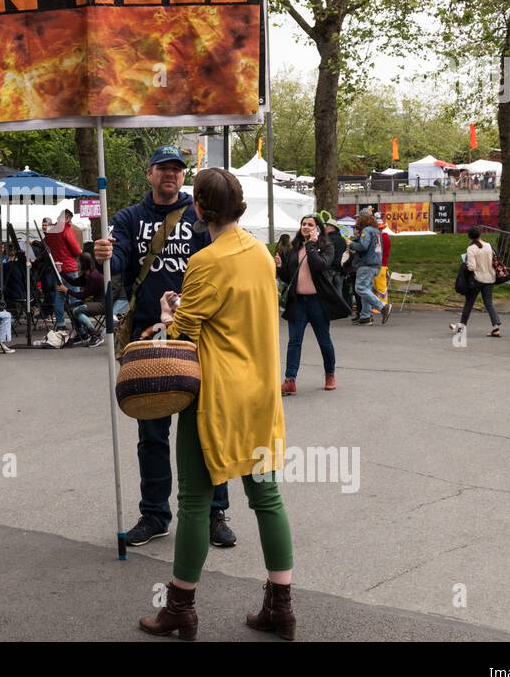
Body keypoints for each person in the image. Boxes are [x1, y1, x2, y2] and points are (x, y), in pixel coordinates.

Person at [137, 168, 295, 641]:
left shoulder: (206, 260)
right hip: (262, 393)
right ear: (240, 206)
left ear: (200, 209)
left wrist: (169, 312)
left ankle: (180, 608)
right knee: (266, 498)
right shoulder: (263, 254)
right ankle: (280, 607)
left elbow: (185, 333)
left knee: (194, 502)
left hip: (217, 397)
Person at [93, 147, 233, 549]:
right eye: (163, 169)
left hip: (197, 335)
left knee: (205, 427)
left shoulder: (199, 215)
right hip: (149, 338)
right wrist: (103, 254)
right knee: (152, 431)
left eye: (176, 169)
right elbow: (116, 260)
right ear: (149, 174)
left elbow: (224, 257)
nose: (170, 175)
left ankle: (213, 512)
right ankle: (154, 514)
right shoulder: (128, 219)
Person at [276, 214, 349, 395]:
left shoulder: (326, 247)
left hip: (318, 302)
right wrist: (279, 267)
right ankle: (290, 380)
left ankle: (330, 374)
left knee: (324, 340)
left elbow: (320, 266)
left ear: (318, 228)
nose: (306, 226)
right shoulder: (295, 248)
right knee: (294, 342)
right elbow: (289, 277)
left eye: (310, 224)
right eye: (303, 224)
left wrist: (311, 244)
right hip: (298, 302)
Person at [450, 227, 502, 336]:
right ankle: (496, 326)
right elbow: (494, 261)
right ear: (480, 235)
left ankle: (461, 327)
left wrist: (466, 264)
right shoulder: (488, 246)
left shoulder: (471, 248)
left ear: (469, 237)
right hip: (490, 278)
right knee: (489, 303)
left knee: (469, 303)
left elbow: (472, 267)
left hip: (477, 279)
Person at [59, 252, 105, 346]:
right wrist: (61, 272)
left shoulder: (93, 276)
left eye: (78, 262)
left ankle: (95, 335)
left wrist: (67, 290)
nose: (77, 264)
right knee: (70, 308)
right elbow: (74, 282)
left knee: (76, 311)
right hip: (96, 302)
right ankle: (83, 334)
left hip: (102, 304)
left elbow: (83, 295)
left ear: (84, 263)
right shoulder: (87, 274)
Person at [347, 210, 383, 325]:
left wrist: (350, 243)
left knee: (360, 288)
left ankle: (383, 306)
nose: (356, 220)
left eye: (358, 218)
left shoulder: (366, 230)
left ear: (363, 219)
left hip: (366, 264)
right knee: (366, 289)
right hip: (375, 264)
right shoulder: (376, 230)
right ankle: (365, 316)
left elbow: (363, 246)